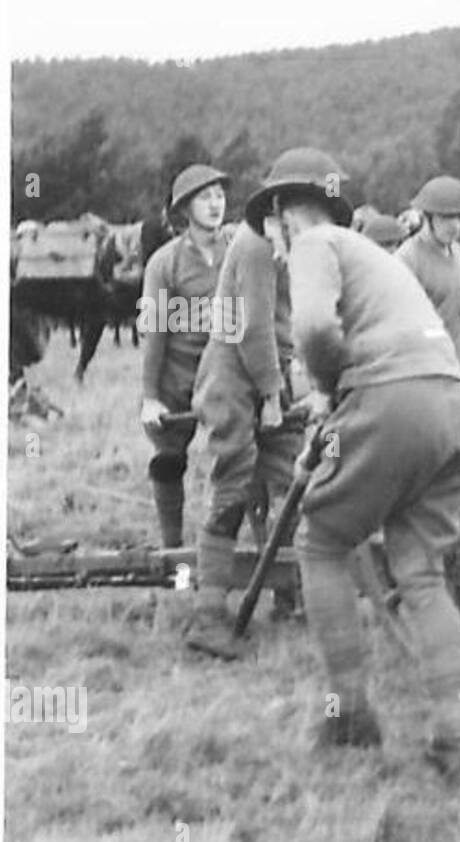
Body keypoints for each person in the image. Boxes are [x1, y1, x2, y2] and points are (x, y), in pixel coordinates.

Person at [247, 147, 460, 773]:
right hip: (450, 406)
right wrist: (334, 411)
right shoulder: (374, 256)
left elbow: (318, 330)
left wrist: (324, 388)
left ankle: (348, 714)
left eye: (269, 230)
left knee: (321, 543)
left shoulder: (314, 244)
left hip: (391, 402)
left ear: (280, 215)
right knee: (421, 574)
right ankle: (453, 743)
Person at [184, 202, 305, 659]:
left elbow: (286, 322)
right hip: (233, 380)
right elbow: (254, 328)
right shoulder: (255, 247)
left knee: (291, 479)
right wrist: (273, 395)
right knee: (233, 485)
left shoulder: (286, 245)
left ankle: (290, 595)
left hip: (269, 372)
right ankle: (208, 617)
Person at [139, 163, 233, 548]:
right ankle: (173, 554)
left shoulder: (240, 251)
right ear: (185, 209)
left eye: (220, 196)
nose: (215, 205)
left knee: (245, 462)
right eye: (204, 198)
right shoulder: (165, 263)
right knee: (169, 460)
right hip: (177, 376)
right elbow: (154, 331)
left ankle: (245, 557)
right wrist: (150, 397)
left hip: (228, 374)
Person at [395, 175, 460, 393]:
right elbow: (398, 328)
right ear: (428, 217)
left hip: (458, 377)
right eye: (447, 218)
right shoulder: (407, 259)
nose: (455, 225)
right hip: (420, 379)